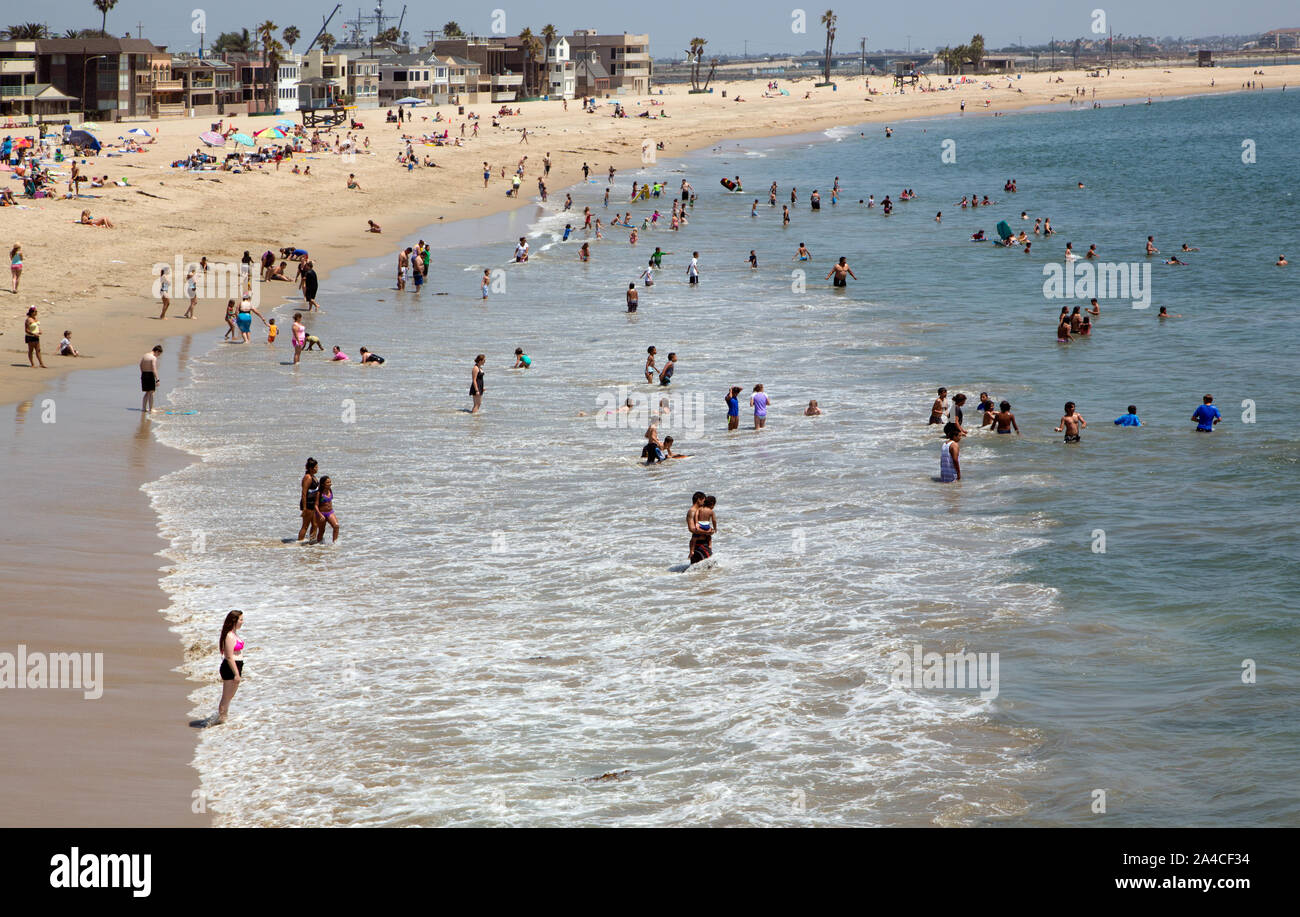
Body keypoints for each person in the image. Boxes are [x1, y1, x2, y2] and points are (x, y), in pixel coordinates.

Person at [214, 610, 245, 725]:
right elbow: (228, 656)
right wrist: (236, 674)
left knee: (230, 696)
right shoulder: (229, 636)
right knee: (226, 697)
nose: (242, 622)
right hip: (230, 668)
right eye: (241, 619)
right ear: (234, 621)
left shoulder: (234, 633)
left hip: (236, 666)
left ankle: (222, 718)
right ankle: (222, 721)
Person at [313, 476, 340, 543]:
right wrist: (320, 515)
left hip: (330, 512)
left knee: (336, 526)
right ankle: (318, 545)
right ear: (323, 484)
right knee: (322, 530)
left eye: (330, 482)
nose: (330, 483)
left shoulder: (330, 490)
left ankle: (335, 543)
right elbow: (315, 505)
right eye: (328, 482)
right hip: (321, 513)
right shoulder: (319, 493)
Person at [298, 458, 320, 541]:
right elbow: (304, 493)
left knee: (315, 524)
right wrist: (304, 508)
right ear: (311, 468)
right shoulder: (308, 477)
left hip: (313, 503)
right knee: (305, 525)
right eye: (316, 467)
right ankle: (299, 543)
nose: (317, 468)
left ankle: (311, 542)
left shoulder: (313, 476)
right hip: (308, 503)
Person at [687, 492, 712, 564]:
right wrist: (707, 532)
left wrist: (711, 530)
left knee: (699, 568)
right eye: (704, 500)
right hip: (699, 544)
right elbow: (691, 528)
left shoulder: (700, 511)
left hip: (703, 543)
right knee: (709, 566)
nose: (705, 503)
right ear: (698, 500)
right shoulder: (692, 511)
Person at [140, 345, 162, 413]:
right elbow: (154, 368)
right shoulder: (153, 358)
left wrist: (143, 373)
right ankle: (151, 409)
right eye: (158, 354)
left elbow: (140, 365)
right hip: (150, 375)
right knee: (152, 392)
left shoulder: (145, 355)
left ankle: (144, 408)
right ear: (157, 351)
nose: (158, 356)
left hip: (143, 374)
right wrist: (157, 379)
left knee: (147, 392)